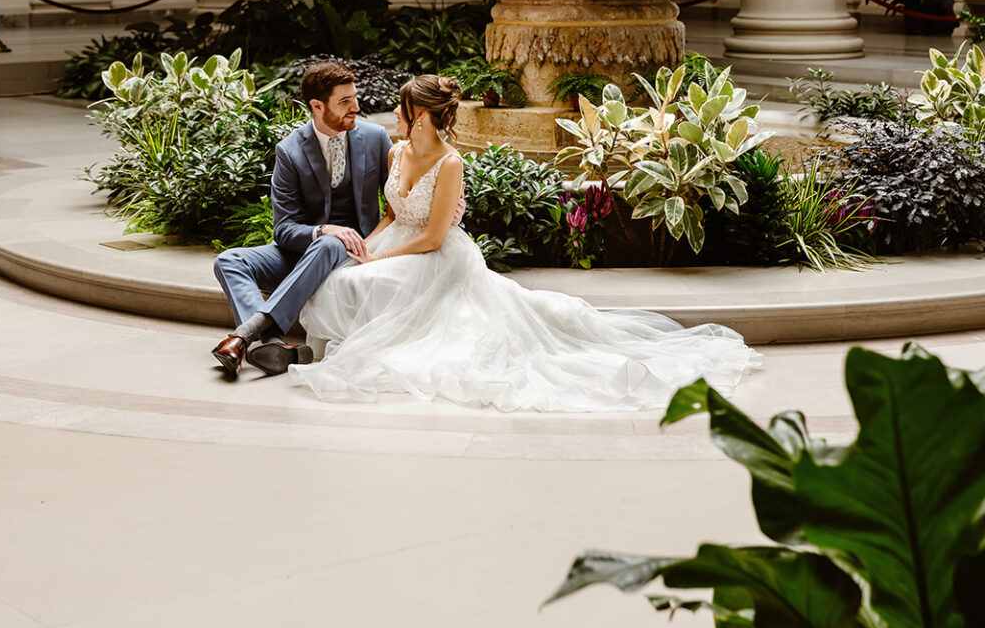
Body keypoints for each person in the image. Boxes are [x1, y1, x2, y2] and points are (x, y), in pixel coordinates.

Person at [288, 75, 759, 413]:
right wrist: (363, 246)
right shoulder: (397, 150)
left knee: (385, 289)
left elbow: (433, 236)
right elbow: (392, 214)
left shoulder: (450, 164)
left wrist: (381, 257)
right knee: (342, 278)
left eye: (402, 109)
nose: (394, 114)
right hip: (394, 241)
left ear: (423, 115)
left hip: (434, 255)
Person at [210, 60, 391, 380]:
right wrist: (321, 229)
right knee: (229, 260)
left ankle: (245, 336)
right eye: (345, 101)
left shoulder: (375, 138)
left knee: (330, 243)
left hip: (356, 247)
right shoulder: (290, 151)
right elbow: (284, 229)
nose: (356, 107)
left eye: (355, 98)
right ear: (317, 106)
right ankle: (272, 345)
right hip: (304, 249)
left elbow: (397, 201)